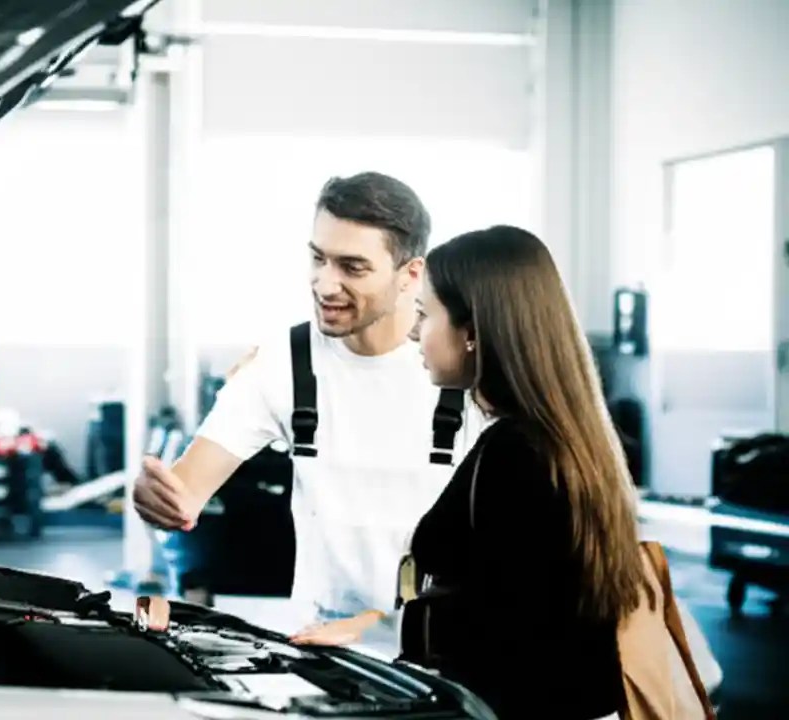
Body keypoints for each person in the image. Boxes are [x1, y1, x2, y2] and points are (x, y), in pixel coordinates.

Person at [133, 171, 485, 644]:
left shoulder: (458, 367)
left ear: (411, 274)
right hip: (321, 651)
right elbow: (186, 489)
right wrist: (158, 499)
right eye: (318, 258)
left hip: (441, 650)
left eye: (352, 267)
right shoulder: (284, 362)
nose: (325, 284)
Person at [404, 225, 642, 719]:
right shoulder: (569, 440)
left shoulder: (514, 453)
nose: (412, 331)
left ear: (472, 332)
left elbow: (509, 641)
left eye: (424, 314)